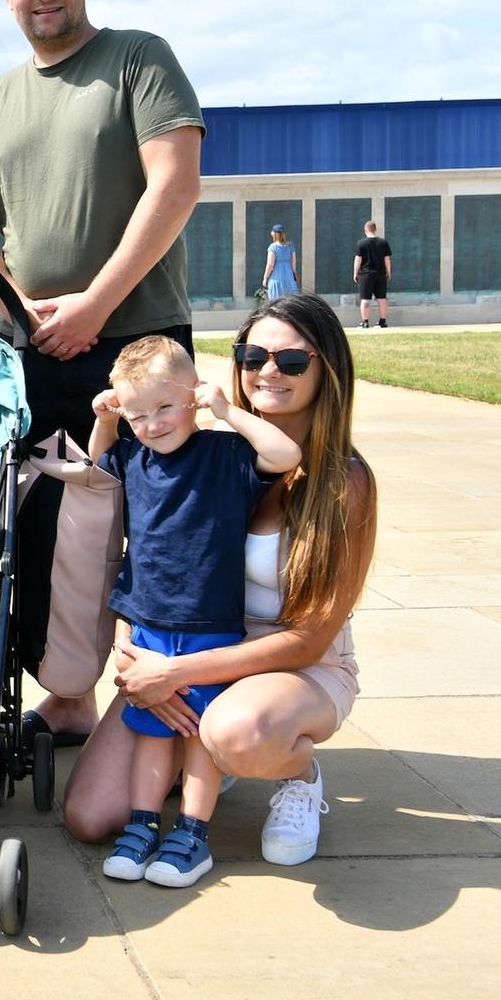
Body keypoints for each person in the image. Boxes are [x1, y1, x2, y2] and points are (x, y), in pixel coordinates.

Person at [0, 0, 206, 746]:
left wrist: (93, 304)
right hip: (41, 354)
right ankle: (65, 697)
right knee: (54, 531)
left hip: (141, 346)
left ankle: (176, 703)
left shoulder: (138, 59)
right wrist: (25, 312)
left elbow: (174, 187)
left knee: (160, 525)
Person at [63, 293, 375, 867]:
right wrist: (131, 648)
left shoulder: (342, 481)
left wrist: (173, 673)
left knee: (237, 734)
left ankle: (298, 775)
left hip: (298, 665)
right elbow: (152, 554)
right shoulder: (205, 457)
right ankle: (199, 753)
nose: (269, 371)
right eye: (253, 357)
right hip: (191, 640)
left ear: (326, 368)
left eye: (293, 361)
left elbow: (308, 639)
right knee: (90, 815)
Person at [88, 338, 300, 887]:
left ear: (193, 395)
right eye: (139, 414)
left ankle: (191, 835)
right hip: (149, 625)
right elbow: (96, 463)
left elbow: (285, 456)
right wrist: (108, 420)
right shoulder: (133, 456)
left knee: (199, 737)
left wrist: (227, 412)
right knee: (154, 733)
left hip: (210, 627)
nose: (153, 424)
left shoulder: (225, 455)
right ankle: (142, 825)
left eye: (165, 407)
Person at [355, 220, 393, 328]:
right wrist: (388, 272)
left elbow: (358, 259)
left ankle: (365, 322)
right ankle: (382, 321)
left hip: (366, 275)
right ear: (375, 229)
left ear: (365, 230)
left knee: (365, 299)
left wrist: (355, 273)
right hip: (380, 274)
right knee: (382, 299)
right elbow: (387, 259)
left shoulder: (361, 243)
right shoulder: (383, 242)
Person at [263, 224, 300, 301]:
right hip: (289, 278)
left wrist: (265, 278)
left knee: (276, 303)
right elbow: (294, 262)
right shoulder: (290, 246)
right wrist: (294, 273)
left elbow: (270, 264)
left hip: (276, 279)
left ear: (274, 234)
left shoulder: (273, 247)